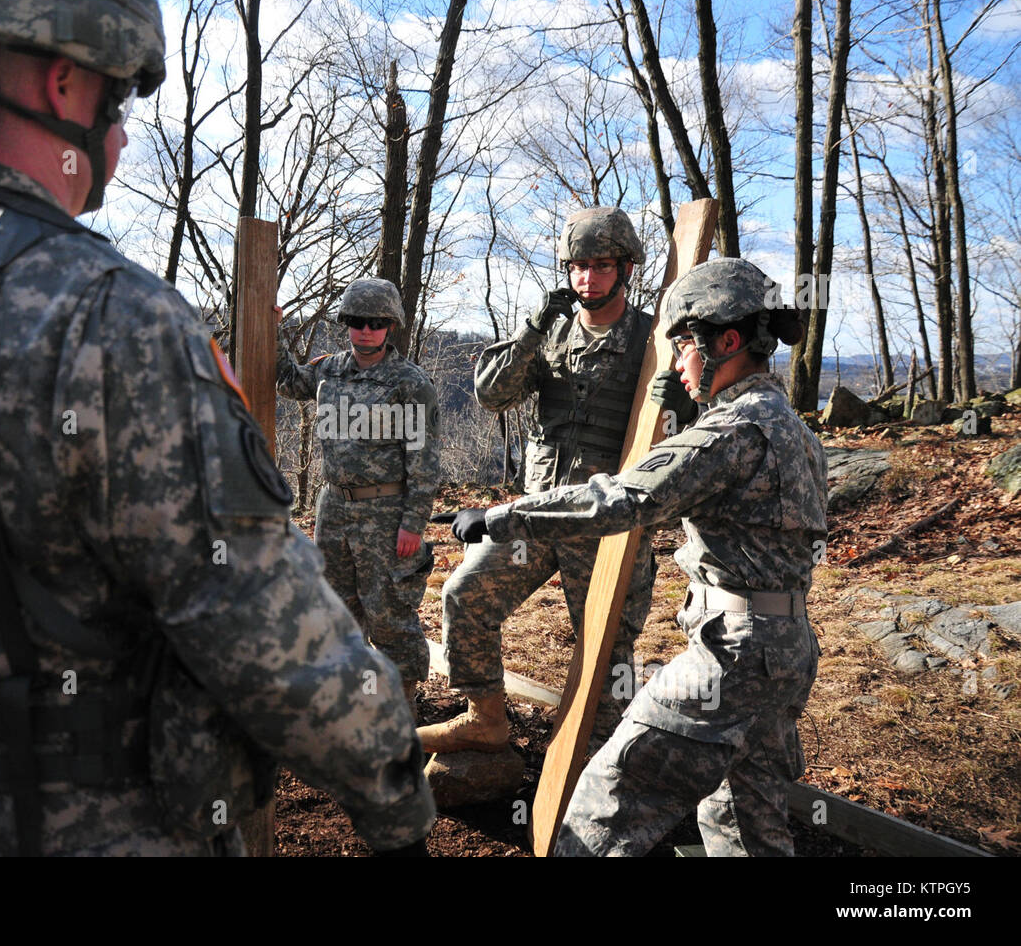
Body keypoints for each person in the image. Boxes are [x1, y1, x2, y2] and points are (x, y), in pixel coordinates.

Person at [0, 0, 433, 856]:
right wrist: (395, 804)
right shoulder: (122, 322)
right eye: (121, 98)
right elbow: (271, 634)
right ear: (64, 83)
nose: (127, 134)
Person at [450, 257, 826, 856]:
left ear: (726, 342)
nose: (676, 362)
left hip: (732, 657)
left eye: (684, 347)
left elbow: (622, 499)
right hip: (787, 650)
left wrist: (505, 516)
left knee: (601, 812)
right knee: (747, 827)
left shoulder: (732, 431)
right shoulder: (792, 427)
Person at [418, 207, 680, 755]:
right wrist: (532, 331)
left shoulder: (651, 342)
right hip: (537, 514)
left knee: (607, 649)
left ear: (627, 268)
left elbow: (685, 425)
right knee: (465, 596)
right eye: (578, 266)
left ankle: (594, 756)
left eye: (602, 265)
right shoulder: (551, 333)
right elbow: (492, 393)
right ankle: (484, 716)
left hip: (607, 521)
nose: (587, 279)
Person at [275, 280, 440, 712]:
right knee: (337, 608)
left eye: (376, 323)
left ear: (390, 327)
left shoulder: (409, 383)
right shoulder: (330, 370)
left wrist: (413, 525)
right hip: (335, 507)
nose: (365, 331)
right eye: (356, 322)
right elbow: (289, 381)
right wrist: (272, 331)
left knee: (387, 611)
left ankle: (399, 706)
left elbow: (424, 460)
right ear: (346, 324)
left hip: (386, 512)